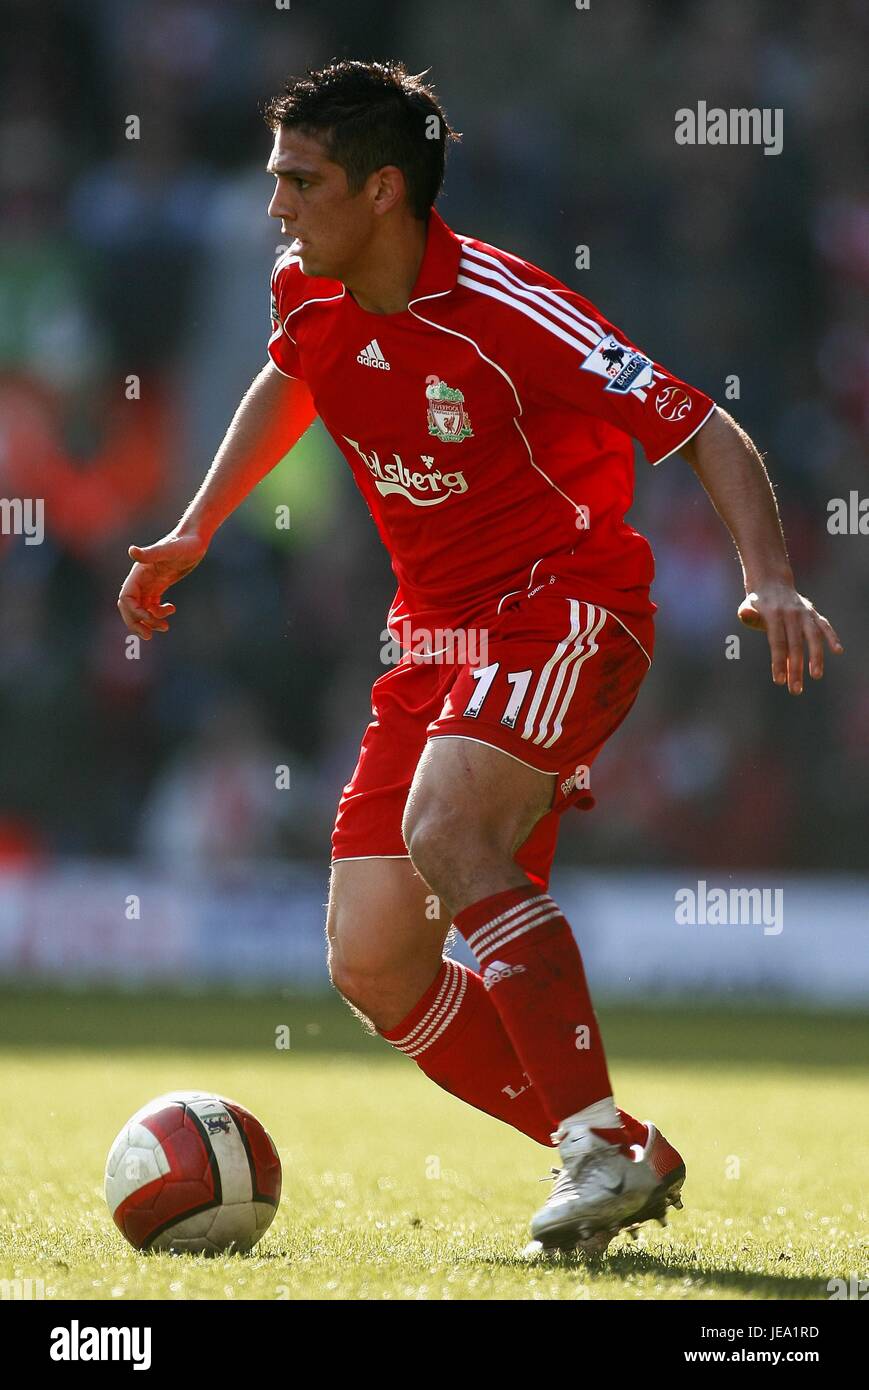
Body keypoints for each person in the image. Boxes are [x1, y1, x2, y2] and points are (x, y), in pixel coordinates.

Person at [118, 60, 844, 1255]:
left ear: (384, 190)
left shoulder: (509, 310)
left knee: (446, 828)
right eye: (274, 178)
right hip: (432, 635)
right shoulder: (305, 286)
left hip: (568, 605)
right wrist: (200, 521)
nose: (276, 207)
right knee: (373, 961)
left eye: (300, 181)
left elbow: (702, 424)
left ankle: (596, 1148)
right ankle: (616, 1143)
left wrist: (766, 578)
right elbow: (291, 376)